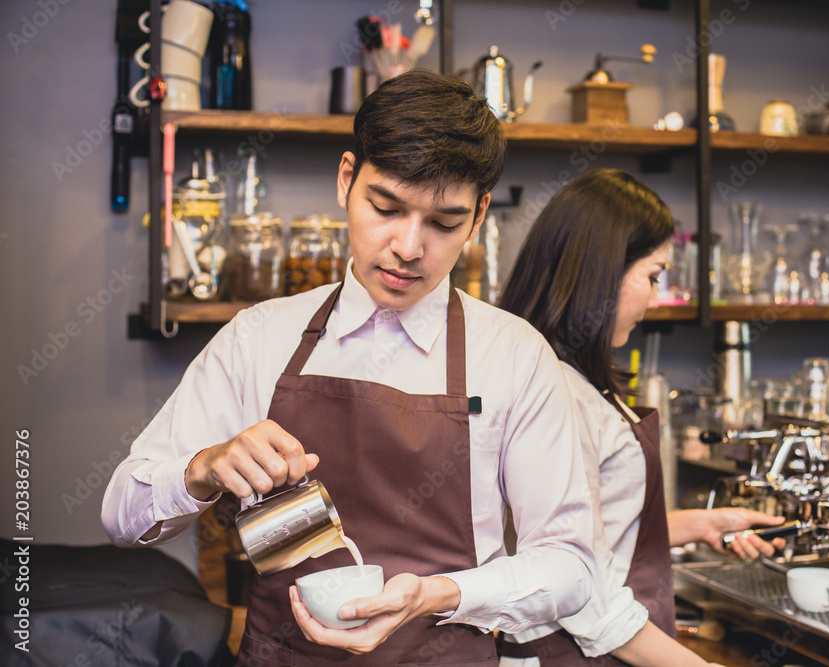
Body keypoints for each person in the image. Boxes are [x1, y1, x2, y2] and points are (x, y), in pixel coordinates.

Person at [102, 70, 598, 666]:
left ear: (480, 215)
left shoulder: (515, 355)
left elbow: (573, 567)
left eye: (444, 223)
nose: (409, 247)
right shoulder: (260, 336)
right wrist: (203, 469)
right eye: (385, 206)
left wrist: (439, 594)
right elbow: (120, 515)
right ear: (346, 180)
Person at [497, 169, 785, 666]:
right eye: (652, 276)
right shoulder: (559, 393)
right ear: (602, 271)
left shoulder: (558, 373)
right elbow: (588, 596)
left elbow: (587, 524)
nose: (655, 298)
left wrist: (699, 524)